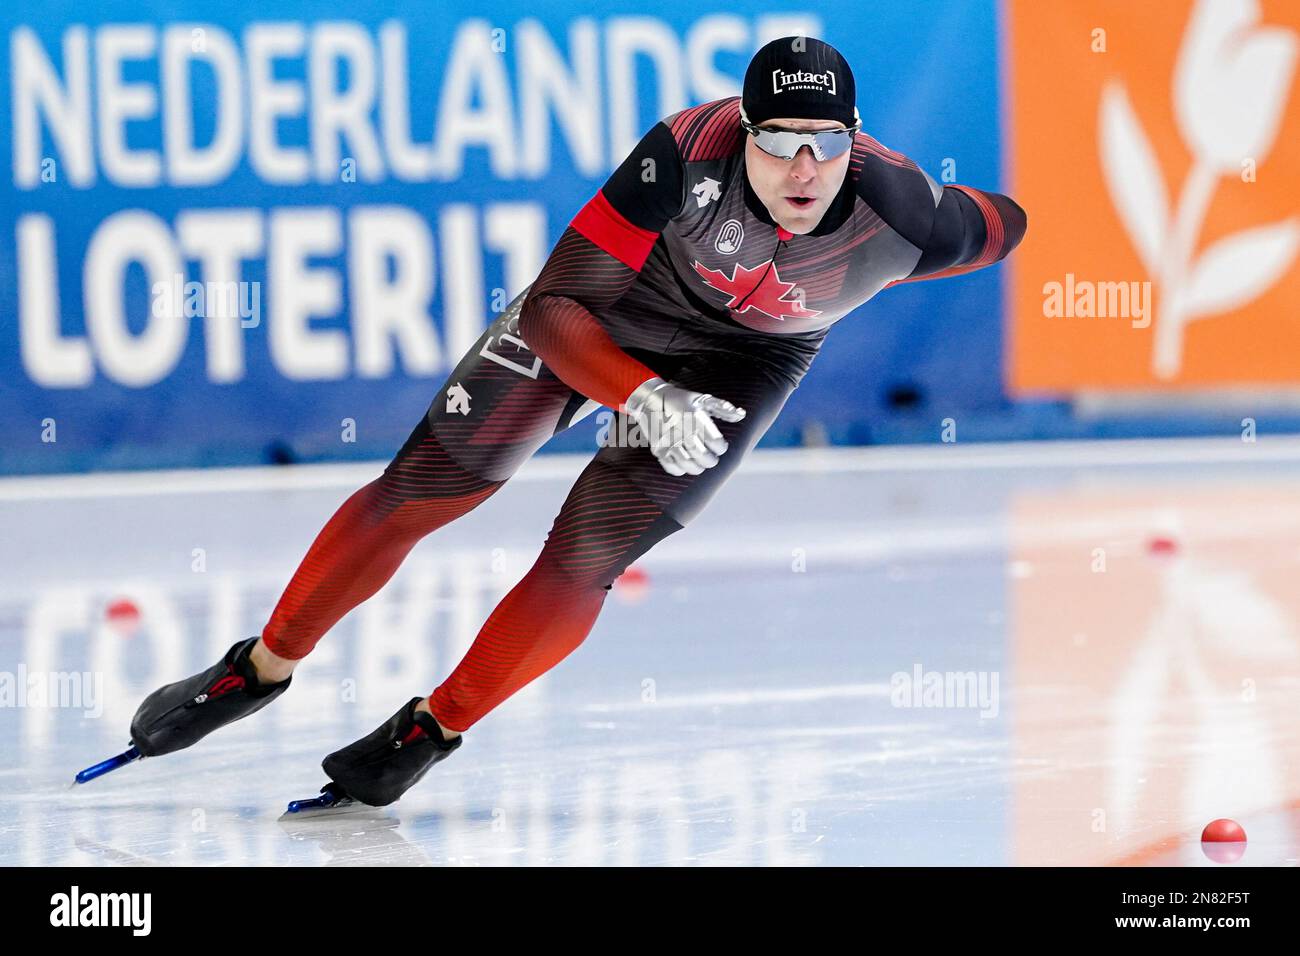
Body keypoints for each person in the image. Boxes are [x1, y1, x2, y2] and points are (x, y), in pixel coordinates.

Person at [127, 36, 1027, 807]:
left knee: (589, 553)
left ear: (854, 139)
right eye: (778, 141)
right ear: (743, 131)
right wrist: (642, 396)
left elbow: (1009, 223)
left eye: (825, 144)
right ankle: (261, 666)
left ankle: (431, 730)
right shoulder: (683, 155)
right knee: (430, 485)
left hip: (746, 364)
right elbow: (554, 311)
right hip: (606, 317)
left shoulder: (908, 214)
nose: (803, 169)